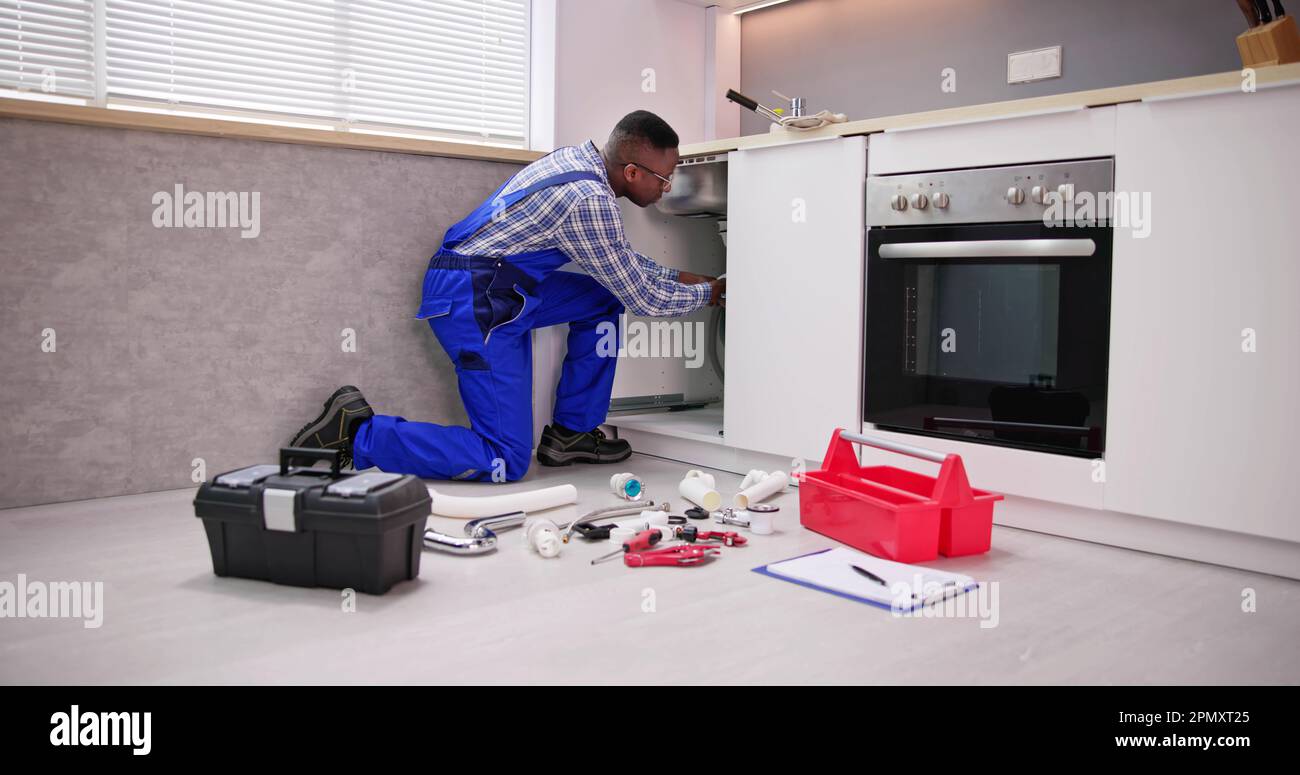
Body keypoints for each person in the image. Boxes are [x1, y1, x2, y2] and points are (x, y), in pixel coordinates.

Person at [288, 110, 725, 482]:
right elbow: (644, 300)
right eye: (665, 180)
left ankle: (572, 433)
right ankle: (358, 434)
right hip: (473, 300)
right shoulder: (588, 199)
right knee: (505, 459)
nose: (666, 189)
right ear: (632, 172)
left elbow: (616, 263)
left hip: (499, 285)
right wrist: (709, 295)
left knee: (601, 297)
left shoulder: (577, 161)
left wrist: (684, 277)